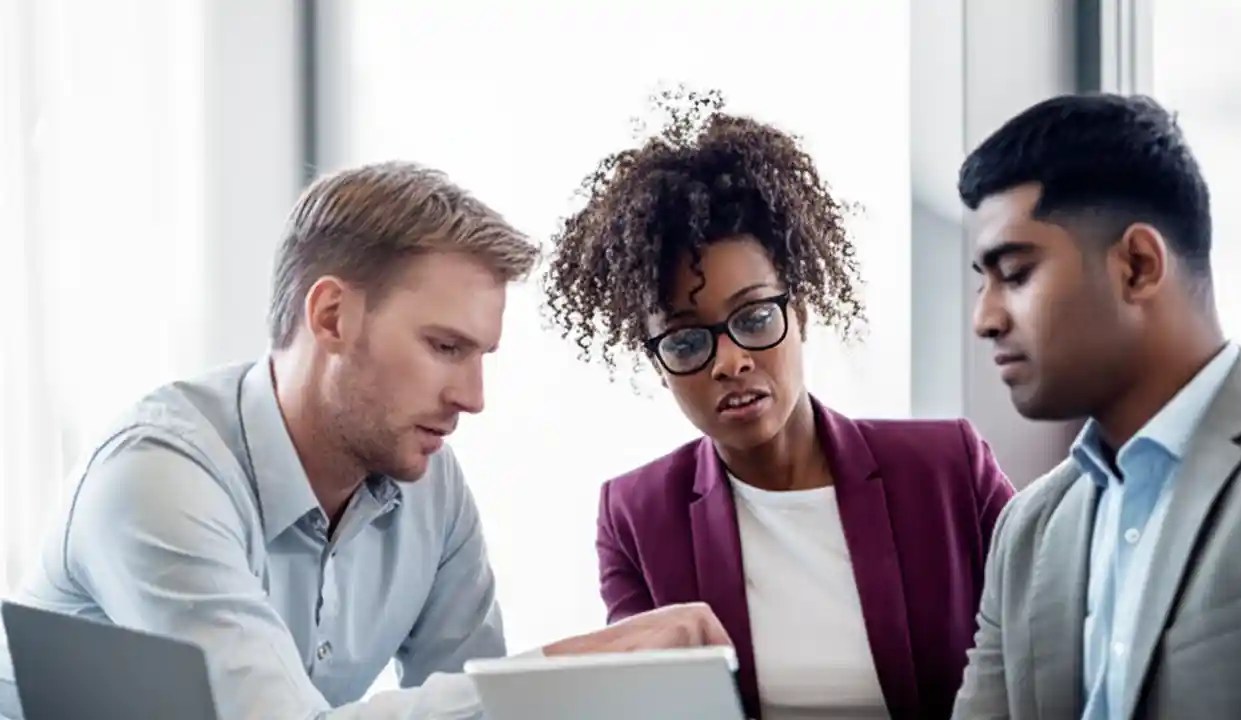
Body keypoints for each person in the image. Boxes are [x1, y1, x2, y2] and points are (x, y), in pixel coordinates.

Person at [0, 162, 732, 720]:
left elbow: (480, 710)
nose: (473, 398)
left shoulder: (430, 488)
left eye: (481, 356)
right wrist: (577, 663)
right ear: (331, 317)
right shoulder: (158, 479)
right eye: (445, 347)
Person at [541, 90, 1015, 720]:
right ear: (659, 363)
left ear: (802, 314)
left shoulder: (946, 468)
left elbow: (1049, 651)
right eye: (686, 340)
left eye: (755, 316)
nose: (730, 361)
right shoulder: (636, 516)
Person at [952, 93, 1241, 720]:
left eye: (1015, 274)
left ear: (1137, 266)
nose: (985, 319)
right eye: (982, 282)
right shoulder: (1027, 530)